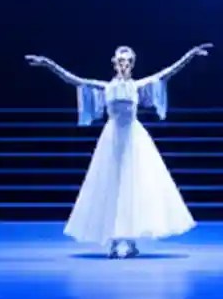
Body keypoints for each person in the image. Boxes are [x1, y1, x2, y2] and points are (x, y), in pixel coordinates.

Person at [25, 44, 212, 258]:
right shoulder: (106, 87)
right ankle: (114, 241)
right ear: (114, 63)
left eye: (128, 61)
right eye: (121, 60)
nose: (124, 64)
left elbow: (169, 72)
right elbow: (73, 80)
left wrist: (190, 54)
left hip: (134, 140)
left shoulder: (137, 86)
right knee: (112, 187)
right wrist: (48, 64)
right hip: (112, 140)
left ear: (132, 65)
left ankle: (130, 241)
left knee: (133, 189)